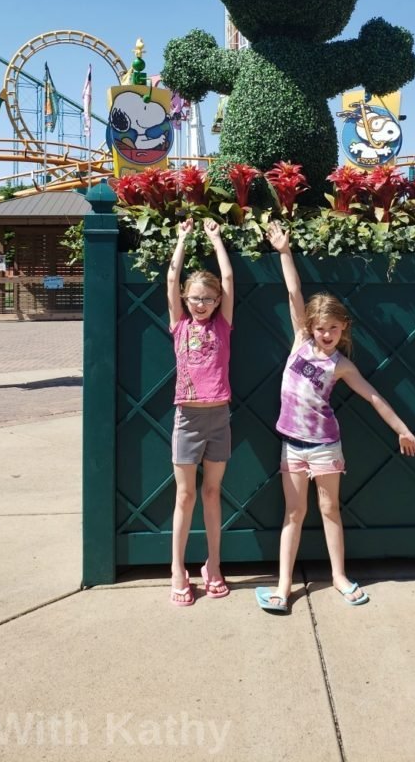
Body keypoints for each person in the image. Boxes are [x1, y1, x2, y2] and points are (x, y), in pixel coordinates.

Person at [256, 220, 415, 613]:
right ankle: (283, 586)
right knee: (294, 513)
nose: (325, 334)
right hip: (292, 446)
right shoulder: (300, 341)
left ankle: (339, 577)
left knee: (330, 510)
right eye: (320, 328)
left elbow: (373, 396)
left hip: (326, 446)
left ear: (343, 328)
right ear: (310, 327)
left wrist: (402, 429)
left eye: (332, 328)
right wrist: (284, 251)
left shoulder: (342, 365)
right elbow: (294, 291)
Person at [167, 217, 234, 606]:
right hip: (187, 419)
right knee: (185, 495)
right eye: (196, 298)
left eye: (208, 299)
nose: (202, 304)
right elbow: (172, 279)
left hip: (219, 416)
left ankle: (214, 564)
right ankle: (178, 568)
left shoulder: (223, 325)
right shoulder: (179, 324)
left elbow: (227, 277)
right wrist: (182, 238)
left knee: (212, 493)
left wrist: (215, 238)